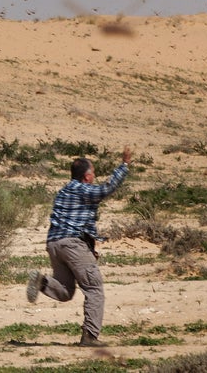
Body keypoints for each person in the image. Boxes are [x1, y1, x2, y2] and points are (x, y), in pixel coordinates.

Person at [27, 147, 131, 348]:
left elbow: (80, 221)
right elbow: (107, 188)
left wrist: (89, 248)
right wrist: (124, 165)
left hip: (55, 244)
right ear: (87, 176)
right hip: (72, 244)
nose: (94, 176)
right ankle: (90, 337)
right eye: (93, 173)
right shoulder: (82, 189)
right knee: (94, 288)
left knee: (66, 292)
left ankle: (42, 281)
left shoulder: (65, 190)